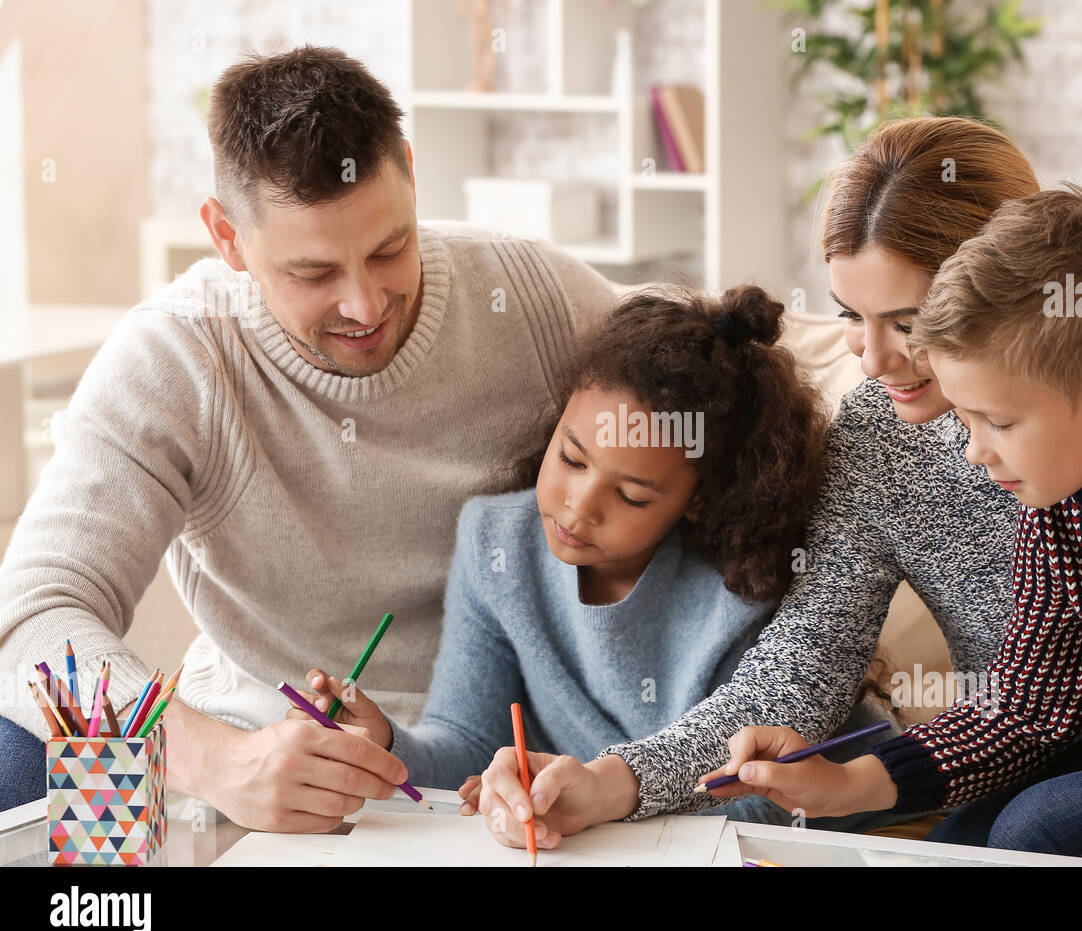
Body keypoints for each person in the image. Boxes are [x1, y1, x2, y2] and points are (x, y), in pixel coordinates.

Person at [465, 116, 1082, 853]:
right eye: (848, 317)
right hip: (1029, 735)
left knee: (1032, 831)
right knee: (971, 844)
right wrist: (618, 781)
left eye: (908, 323)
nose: (872, 359)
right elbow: (806, 666)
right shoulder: (928, 457)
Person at [0, 45, 619, 829]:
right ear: (228, 238)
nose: (366, 304)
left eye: (391, 247)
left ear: (412, 179)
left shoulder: (531, 299)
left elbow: (718, 371)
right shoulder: (177, 356)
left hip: (497, 771)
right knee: (18, 759)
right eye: (313, 273)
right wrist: (211, 758)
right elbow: (32, 619)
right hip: (246, 760)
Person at [712, 187, 1082, 865]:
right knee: (960, 852)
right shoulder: (1058, 507)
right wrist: (846, 785)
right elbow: (1027, 707)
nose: (975, 450)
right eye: (968, 419)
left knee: (1037, 830)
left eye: (1001, 422)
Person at [286, 285, 832, 827]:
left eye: (631, 496)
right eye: (572, 458)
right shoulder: (498, 544)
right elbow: (469, 741)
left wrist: (595, 800)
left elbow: (765, 795)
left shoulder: (742, 586)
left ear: (697, 501)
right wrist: (381, 740)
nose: (578, 508)